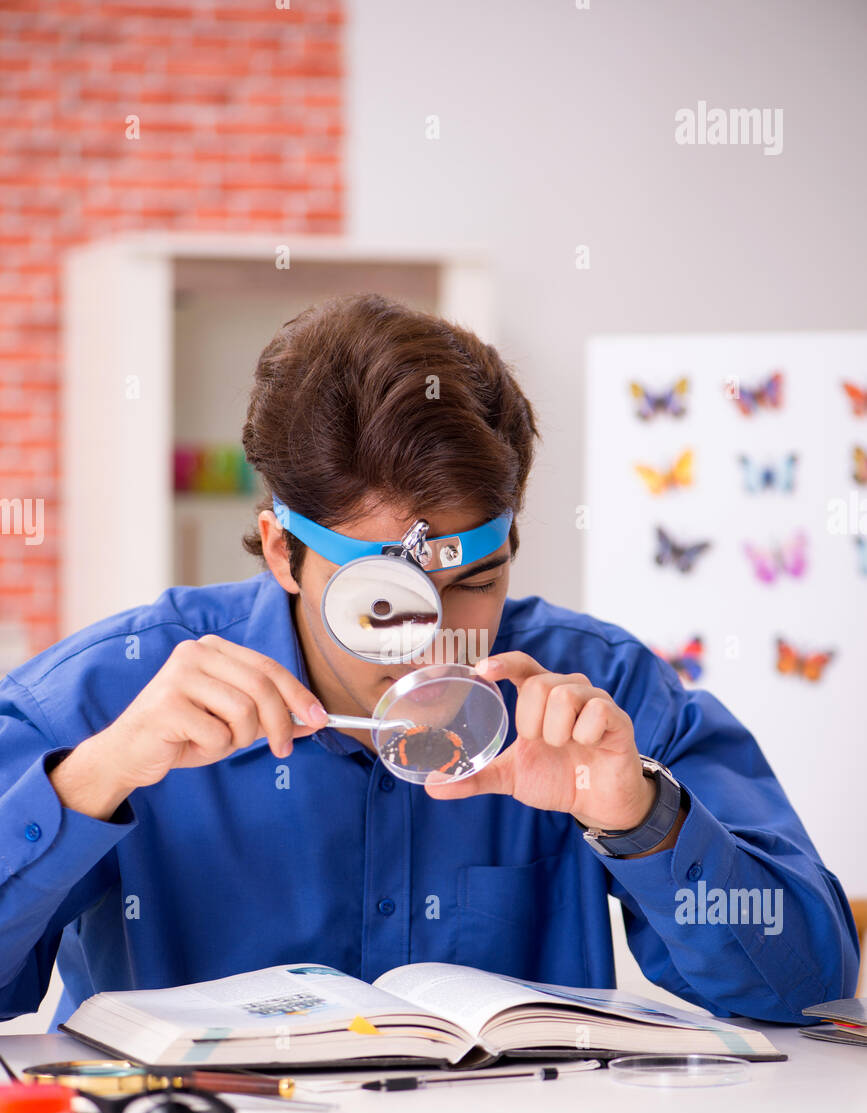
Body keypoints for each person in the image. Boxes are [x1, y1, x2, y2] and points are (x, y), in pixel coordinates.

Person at [0, 293, 858, 1030]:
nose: (434, 637)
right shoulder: (103, 696)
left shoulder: (601, 693)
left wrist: (640, 818)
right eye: (382, 596)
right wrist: (87, 783)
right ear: (279, 550)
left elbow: (809, 989)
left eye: (474, 582)